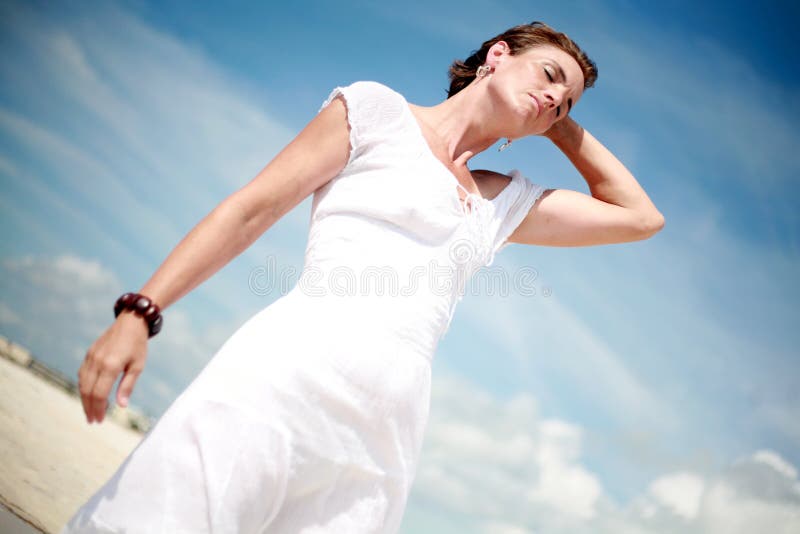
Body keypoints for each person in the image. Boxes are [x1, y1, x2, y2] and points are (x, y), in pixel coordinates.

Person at [61, 21, 663, 534]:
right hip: (284, 377)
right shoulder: (377, 112)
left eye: (567, 102)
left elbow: (639, 217)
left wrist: (554, 120)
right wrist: (140, 311)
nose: (555, 98)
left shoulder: (501, 203)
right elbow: (252, 210)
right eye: (549, 75)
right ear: (497, 55)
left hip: (383, 437)